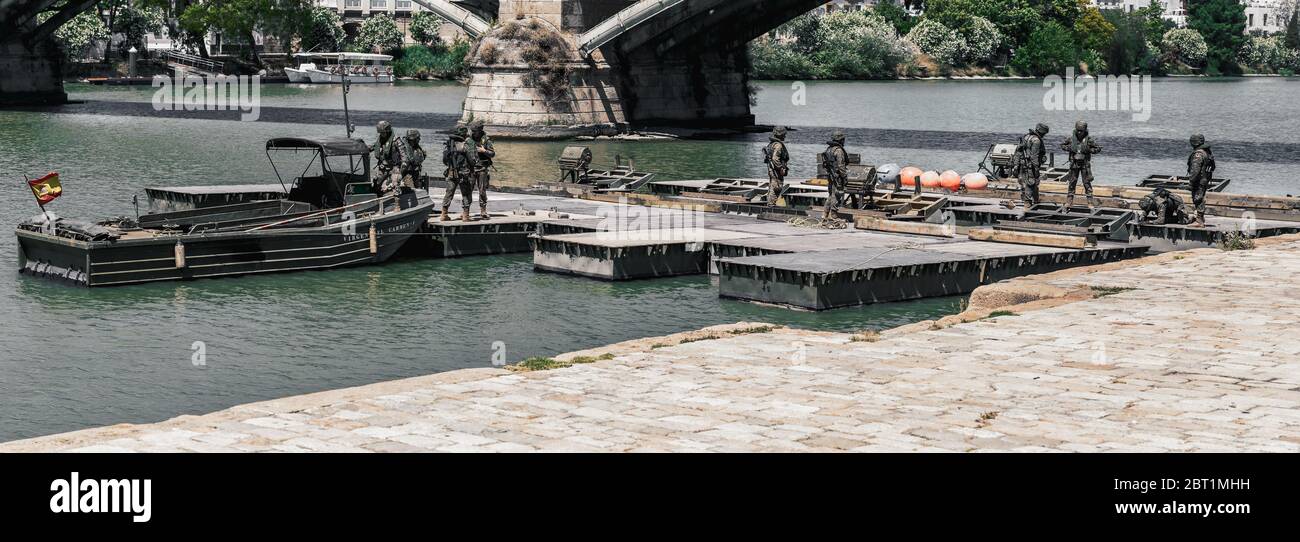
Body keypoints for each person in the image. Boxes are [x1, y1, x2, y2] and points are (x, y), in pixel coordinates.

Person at [1059, 120, 1101, 209]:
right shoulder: (1071, 138)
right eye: (1078, 130)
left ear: (1085, 130)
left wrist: (1089, 150)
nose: (1079, 132)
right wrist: (1069, 148)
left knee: (1087, 183)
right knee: (1072, 182)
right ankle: (1069, 201)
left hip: (1085, 164)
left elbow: (1098, 148)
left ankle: (1090, 202)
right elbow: (1062, 145)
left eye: (1081, 131)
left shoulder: (1089, 140)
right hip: (1074, 164)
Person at [439, 124, 477, 222]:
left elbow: (444, 160)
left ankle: (444, 214)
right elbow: (473, 160)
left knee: (449, 193)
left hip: (451, 172)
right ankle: (465, 215)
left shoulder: (450, 143)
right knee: (466, 194)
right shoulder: (468, 143)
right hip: (464, 173)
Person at [1015, 123, 1050, 208]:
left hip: (1023, 164)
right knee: (1031, 182)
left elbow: (1018, 151)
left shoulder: (1026, 137)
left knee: (1028, 182)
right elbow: (1034, 156)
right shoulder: (1036, 141)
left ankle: (1035, 199)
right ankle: (1027, 202)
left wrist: (1016, 164)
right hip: (1030, 165)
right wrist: (1036, 169)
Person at [1187, 133, 1215, 227]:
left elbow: (1195, 170)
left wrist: (1191, 182)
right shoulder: (1207, 151)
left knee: (1198, 199)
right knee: (1200, 197)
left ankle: (1199, 221)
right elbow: (1213, 167)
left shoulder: (1198, 154)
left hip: (1198, 180)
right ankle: (1200, 218)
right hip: (1205, 179)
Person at [469, 120, 496, 220]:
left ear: (480, 131)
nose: (473, 132)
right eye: (472, 131)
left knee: (482, 190)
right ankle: (466, 211)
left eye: (475, 131)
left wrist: (484, 151)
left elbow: (492, 154)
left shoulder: (486, 140)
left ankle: (483, 210)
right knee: (468, 190)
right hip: (471, 169)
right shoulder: (469, 139)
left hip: (482, 168)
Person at [371, 120, 406, 195]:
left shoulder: (395, 140)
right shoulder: (380, 140)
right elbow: (374, 147)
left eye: (383, 132)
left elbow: (402, 152)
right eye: (381, 133)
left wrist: (404, 162)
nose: (382, 134)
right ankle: (378, 199)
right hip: (383, 167)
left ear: (388, 131)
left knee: (396, 185)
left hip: (394, 167)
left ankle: (397, 205)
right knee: (376, 183)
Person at [822, 130, 849, 219]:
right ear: (840, 140)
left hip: (830, 175)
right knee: (837, 195)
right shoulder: (839, 151)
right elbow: (841, 166)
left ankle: (825, 214)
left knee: (831, 195)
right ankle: (833, 214)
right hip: (837, 176)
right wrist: (844, 177)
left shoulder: (829, 149)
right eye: (843, 139)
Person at [764, 126, 790, 206]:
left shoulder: (772, 144)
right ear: (780, 134)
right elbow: (775, 159)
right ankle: (771, 204)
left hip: (772, 169)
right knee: (777, 187)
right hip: (776, 170)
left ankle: (770, 203)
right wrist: (780, 168)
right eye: (784, 134)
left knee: (772, 186)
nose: (785, 136)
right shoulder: (778, 145)